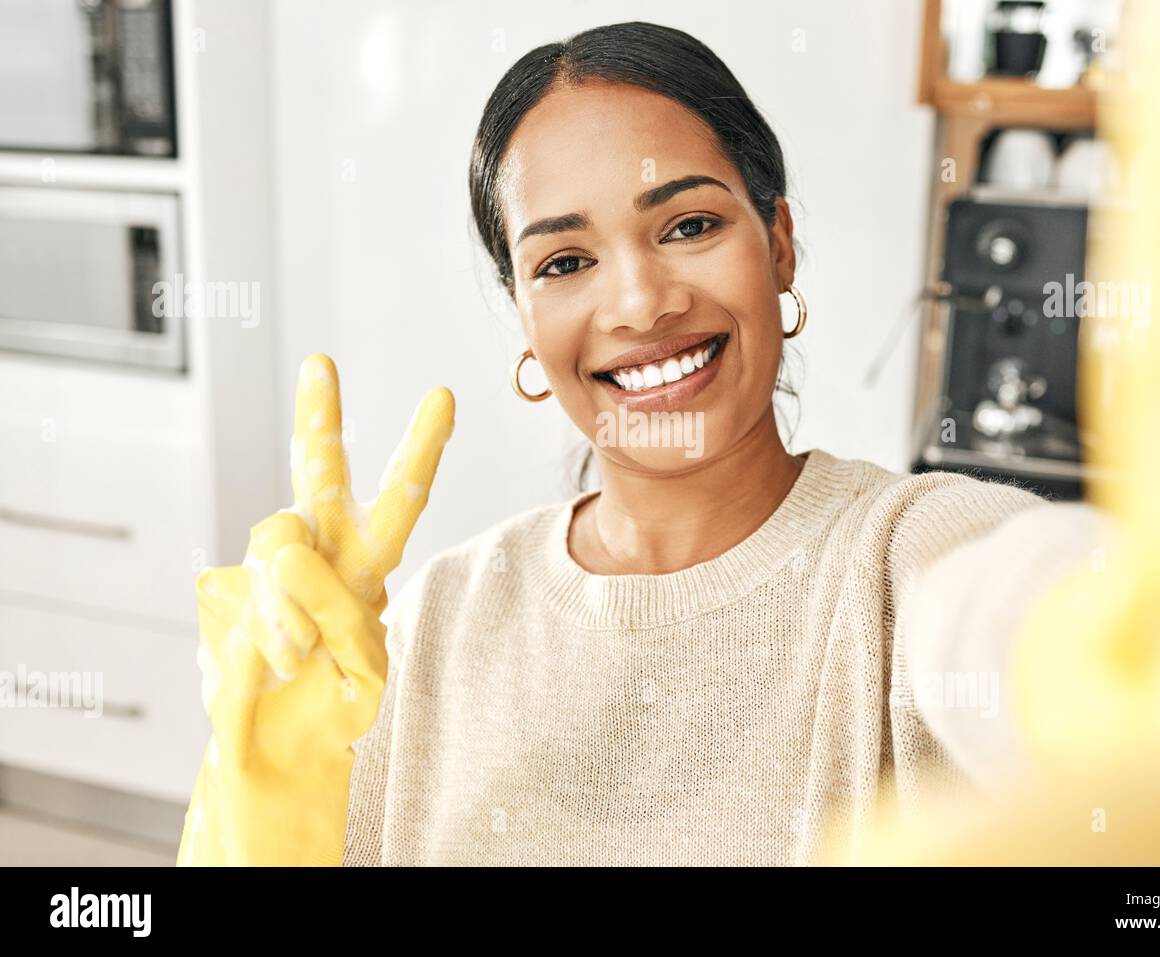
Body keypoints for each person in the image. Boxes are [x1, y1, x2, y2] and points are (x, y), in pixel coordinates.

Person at [177, 20, 1106, 867]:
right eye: (565, 262)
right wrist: (260, 811)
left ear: (778, 244)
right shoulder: (433, 625)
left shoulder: (914, 562)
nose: (640, 303)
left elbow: (1084, 644)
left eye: (690, 224)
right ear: (524, 317)